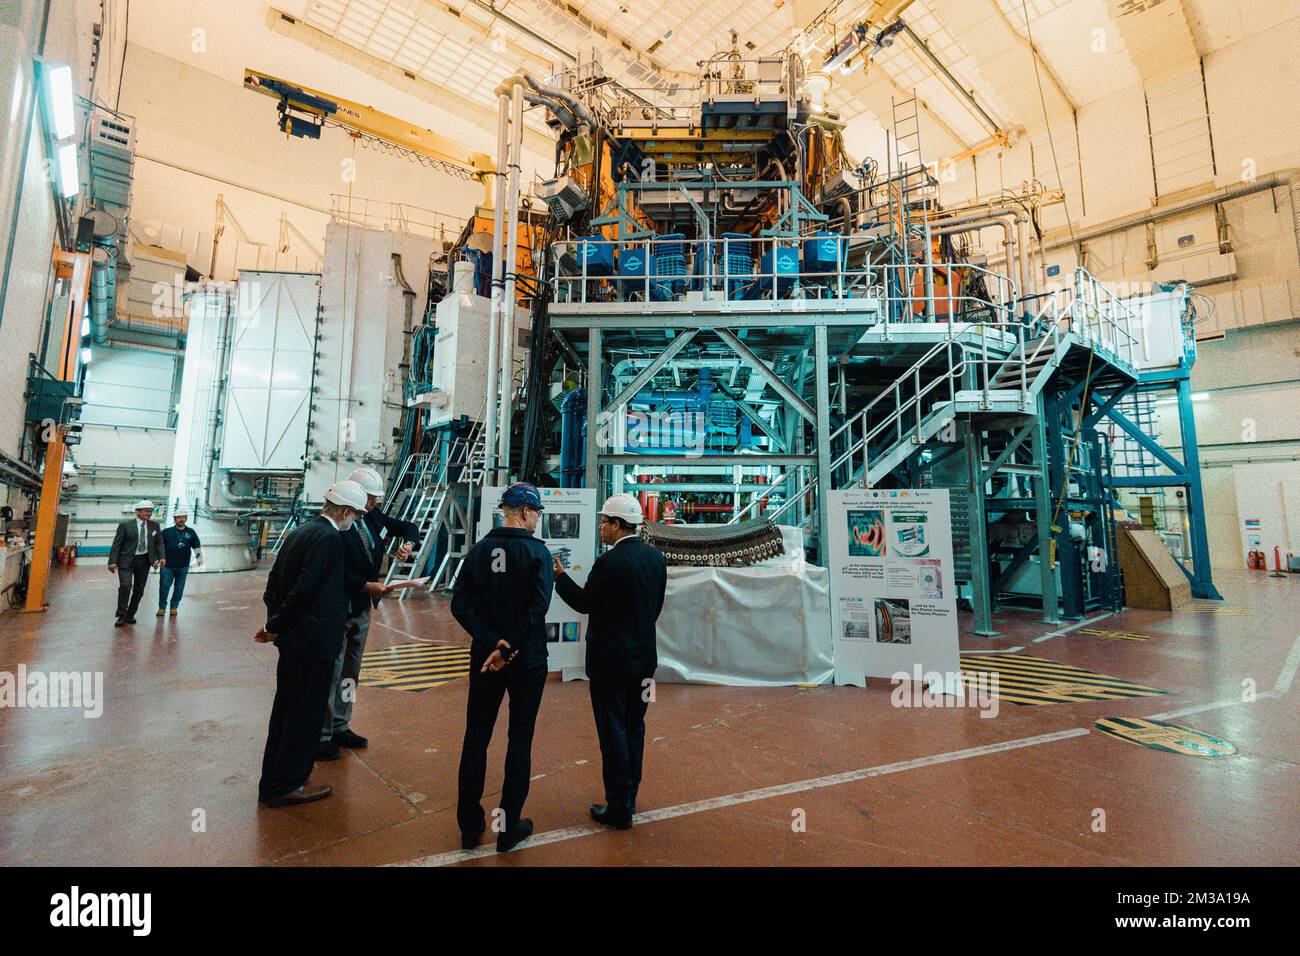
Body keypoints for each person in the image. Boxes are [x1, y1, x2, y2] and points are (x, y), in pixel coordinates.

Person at [552, 493, 666, 830]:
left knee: (613, 730)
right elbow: (653, 608)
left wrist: (560, 577)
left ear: (618, 525)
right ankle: (629, 797)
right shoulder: (655, 559)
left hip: (610, 664)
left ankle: (618, 806)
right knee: (635, 726)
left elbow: (585, 603)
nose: (600, 526)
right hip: (644, 662)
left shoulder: (609, 563)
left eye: (604, 521)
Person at [451, 482, 553, 853]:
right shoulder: (538, 555)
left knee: (476, 736)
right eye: (537, 514)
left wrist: (491, 641)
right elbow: (536, 609)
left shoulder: (478, 552)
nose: (537, 520)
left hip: (485, 660)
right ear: (525, 513)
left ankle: (469, 825)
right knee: (519, 738)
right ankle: (508, 829)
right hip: (525, 660)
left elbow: (460, 605)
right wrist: (508, 646)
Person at [255, 480, 368, 809]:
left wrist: (276, 624)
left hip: (294, 644)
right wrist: (276, 626)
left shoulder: (300, 532)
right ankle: (288, 784)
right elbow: (306, 590)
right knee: (304, 716)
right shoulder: (330, 539)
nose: (355, 521)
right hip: (313, 646)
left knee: (286, 712)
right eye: (356, 515)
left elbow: (273, 583)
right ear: (345, 512)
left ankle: (273, 780)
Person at [317, 466, 424, 761]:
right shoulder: (336, 524)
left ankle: (341, 724)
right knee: (333, 669)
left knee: (351, 670)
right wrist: (367, 586)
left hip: (362, 606)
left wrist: (407, 544)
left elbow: (407, 527)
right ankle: (322, 733)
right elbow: (333, 571)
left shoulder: (372, 517)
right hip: (341, 605)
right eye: (371, 499)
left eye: (376, 500)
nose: (375, 505)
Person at [107, 500, 165, 627]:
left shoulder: (154, 526)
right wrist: (112, 561)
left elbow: (158, 543)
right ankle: (121, 615)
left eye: (150, 511)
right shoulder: (125, 525)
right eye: (146, 511)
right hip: (126, 561)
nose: (149, 513)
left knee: (139, 590)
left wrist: (160, 557)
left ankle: (130, 614)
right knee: (126, 586)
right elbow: (117, 544)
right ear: (137, 512)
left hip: (144, 561)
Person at [157, 507, 203, 617]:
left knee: (179, 587)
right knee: (164, 586)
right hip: (167, 565)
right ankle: (162, 607)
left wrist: (199, 557)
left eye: (183, 517)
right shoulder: (167, 532)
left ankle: (174, 607)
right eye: (178, 517)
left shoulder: (191, 532)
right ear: (174, 519)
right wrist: (158, 558)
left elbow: (196, 544)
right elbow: (159, 546)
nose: (181, 519)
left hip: (183, 565)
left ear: (186, 518)